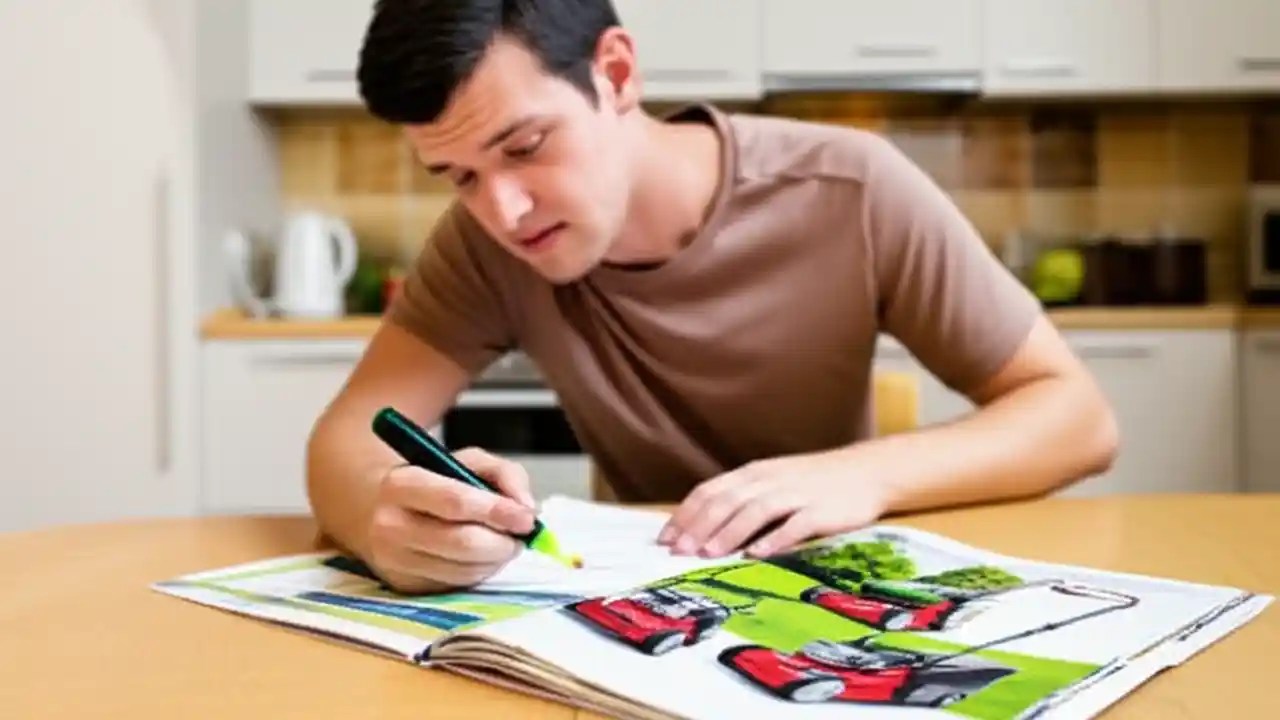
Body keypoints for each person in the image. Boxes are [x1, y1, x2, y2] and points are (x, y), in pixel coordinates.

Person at [305, 0, 1118, 594]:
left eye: (525, 146)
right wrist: (388, 517)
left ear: (616, 73)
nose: (503, 211)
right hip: (636, 599)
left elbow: (1075, 414)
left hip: (840, 599)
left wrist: (861, 477)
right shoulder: (483, 245)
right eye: (460, 177)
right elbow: (345, 437)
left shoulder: (850, 188)